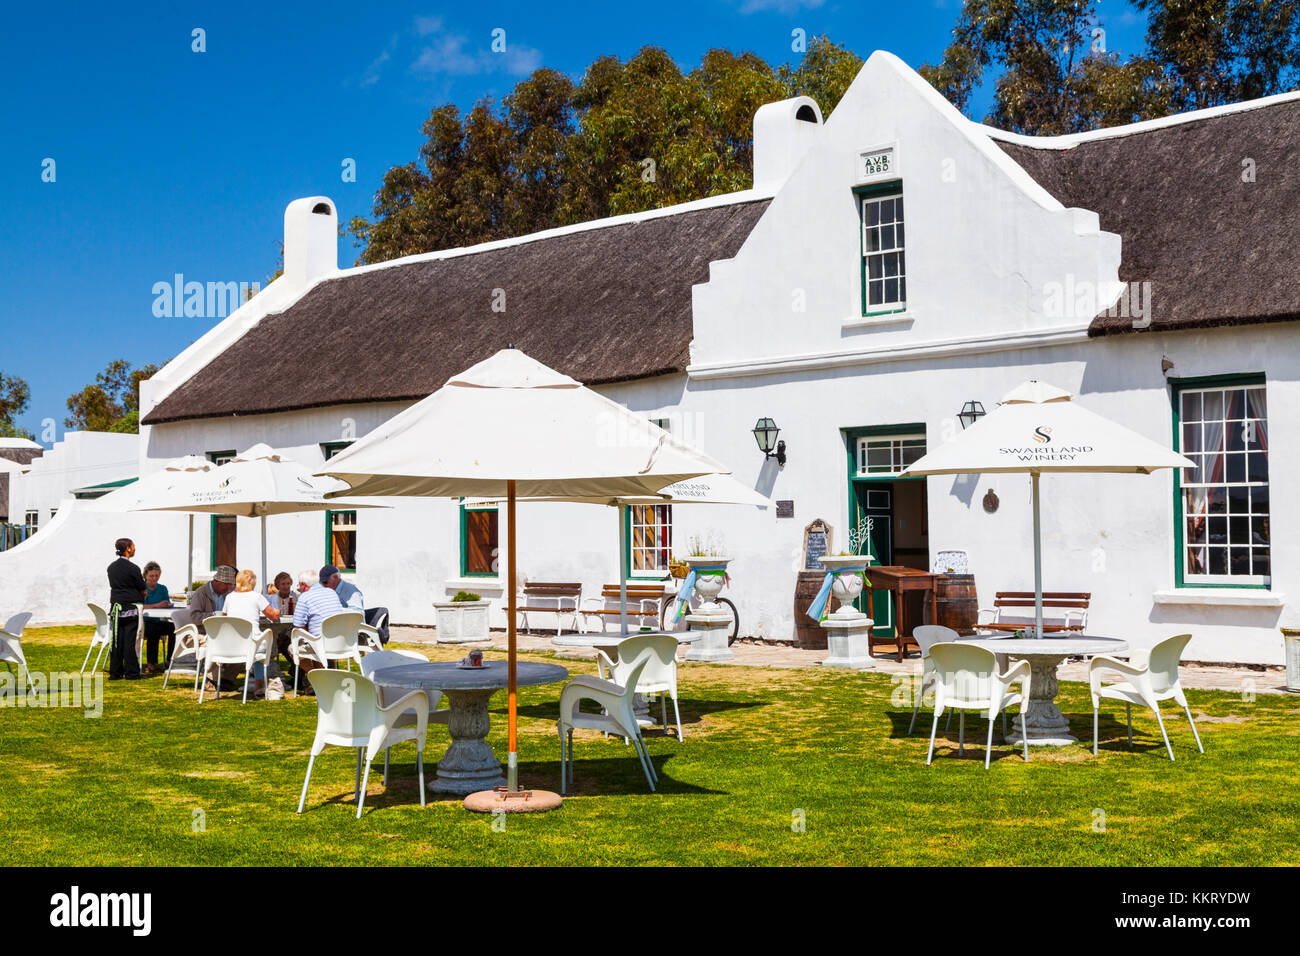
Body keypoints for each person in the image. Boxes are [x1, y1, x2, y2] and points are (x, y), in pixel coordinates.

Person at [222, 569, 281, 697]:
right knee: (262, 645)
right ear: (252, 582)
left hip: (233, 644)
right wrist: (278, 611)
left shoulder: (229, 597)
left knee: (257, 643)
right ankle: (259, 685)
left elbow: (225, 617)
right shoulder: (256, 596)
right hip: (253, 645)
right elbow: (273, 616)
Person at [106, 538, 148, 680]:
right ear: (128, 549)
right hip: (131, 608)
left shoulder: (111, 567)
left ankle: (115, 672)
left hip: (116, 608)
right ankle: (131, 672)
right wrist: (142, 598)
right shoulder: (133, 568)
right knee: (129, 641)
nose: (135, 549)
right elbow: (142, 588)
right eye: (133, 546)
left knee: (117, 640)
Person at [324, 567, 391, 646]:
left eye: (326, 582)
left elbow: (356, 615)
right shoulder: (334, 590)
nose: (325, 585)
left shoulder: (349, 591)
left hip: (353, 630)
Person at [141, 561, 175, 675]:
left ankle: (170, 660)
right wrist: (157, 605)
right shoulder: (142, 588)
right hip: (143, 622)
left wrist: (167, 605)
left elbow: (166, 604)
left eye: (156, 575)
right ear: (145, 576)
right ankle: (151, 663)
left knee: (175, 628)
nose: (154, 578)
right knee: (153, 629)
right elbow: (140, 606)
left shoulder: (162, 588)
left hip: (157, 620)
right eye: (151, 576)